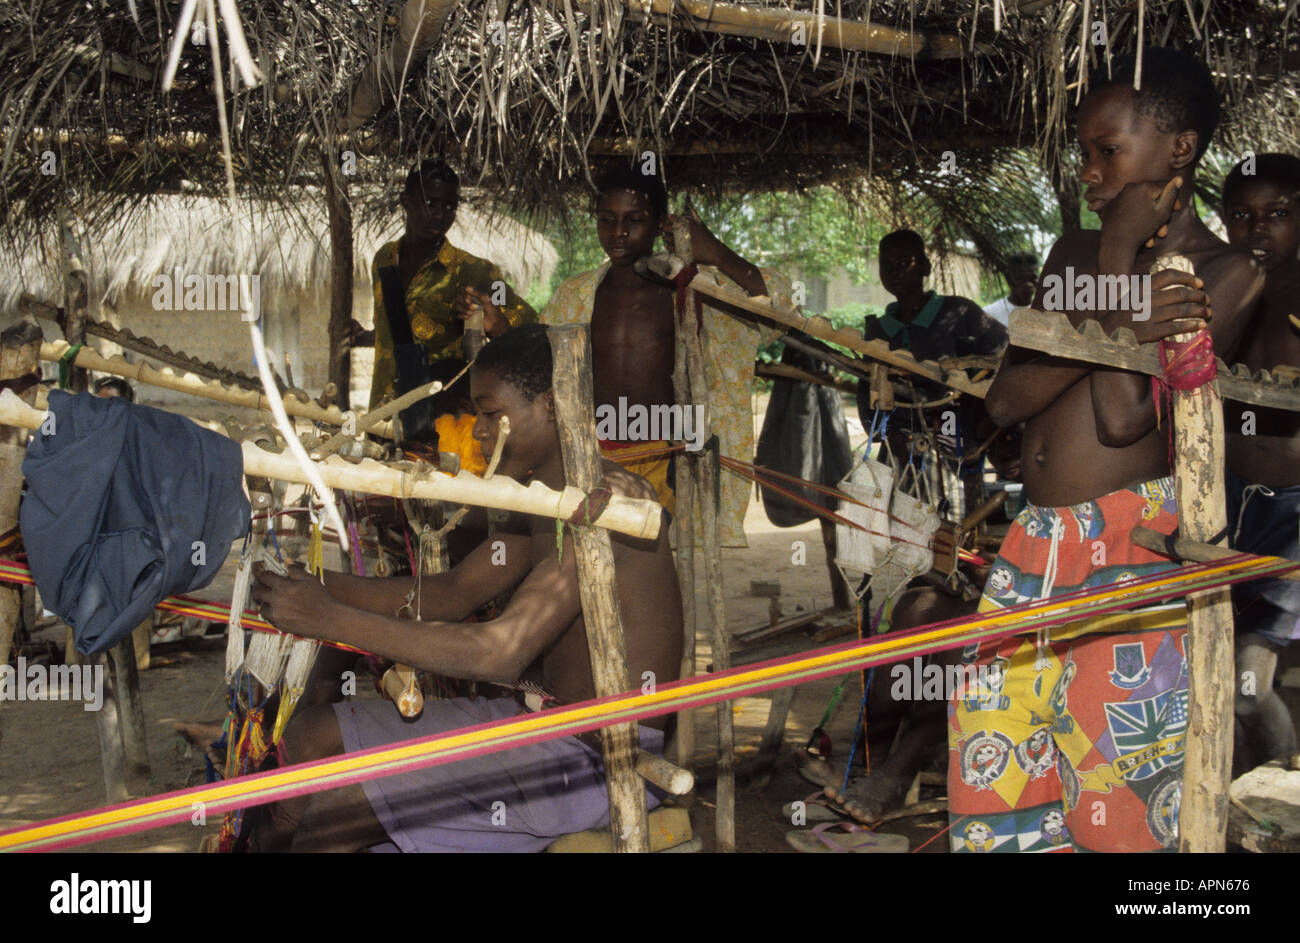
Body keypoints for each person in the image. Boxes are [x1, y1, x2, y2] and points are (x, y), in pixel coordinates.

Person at [952, 47, 1262, 853]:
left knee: (1119, 794)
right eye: (1082, 153)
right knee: (1003, 764)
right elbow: (1005, 400)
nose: (1088, 172)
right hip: (1034, 544)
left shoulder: (1227, 272)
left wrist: (1122, 258)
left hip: (1133, 551)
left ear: (1179, 150)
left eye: (1107, 151)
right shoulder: (1067, 256)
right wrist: (1126, 310)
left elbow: (1126, 417)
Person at [248, 325, 683, 852]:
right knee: (308, 738)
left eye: (490, 412)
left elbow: (500, 653)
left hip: (597, 759)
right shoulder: (543, 500)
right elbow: (454, 593)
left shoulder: (603, 507)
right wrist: (312, 585)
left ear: (549, 405)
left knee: (336, 817)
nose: (476, 431)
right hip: (540, 725)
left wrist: (327, 618)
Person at [531, 165, 793, 546]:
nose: (618, 232)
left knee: (652, 561)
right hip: (591, 457)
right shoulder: (576, 294)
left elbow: (783, 307)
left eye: (634, 220)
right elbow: (540, 356)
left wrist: (716, 252)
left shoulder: (691, 289)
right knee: (589, 557)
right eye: (607, 220)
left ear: (658, 225)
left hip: (668, 458)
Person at [1221, 153, 1300, 766]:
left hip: (1293, 519)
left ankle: (1283, 790)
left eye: (1277, 213)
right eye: (1243, 215)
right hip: (1224, 503)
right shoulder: (1222, 296)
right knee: (1210, 670)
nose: (1258, 229)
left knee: (1248, 687)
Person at [357, 159, 538, 420]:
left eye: (449, 206)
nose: (440, 215)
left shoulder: (476, 272)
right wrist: (362, 336)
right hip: (380, 417)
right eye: (430, 203)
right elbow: (394, 333)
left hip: (437, 423)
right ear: (405, 200)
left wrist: (496, 324)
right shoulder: (384, 259)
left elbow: (529, 327)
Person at [859, 229, 1008, 523]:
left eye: (905, 262)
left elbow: (1003, 354)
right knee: (895, 525)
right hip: (898, 445)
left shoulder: (958, 312)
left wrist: (976, 419)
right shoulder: (879, 330)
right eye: (886, 266)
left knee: (950, 519)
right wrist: (887, 434)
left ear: (925, 266)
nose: (895, 272)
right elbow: (867, 390)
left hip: (950, 428)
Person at [982, 252, 1041, 327]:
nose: (1028, 284)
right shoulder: (990, 314)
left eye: (1033, 278)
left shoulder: (1045, 313)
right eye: (1020, 279)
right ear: (1008, 279)